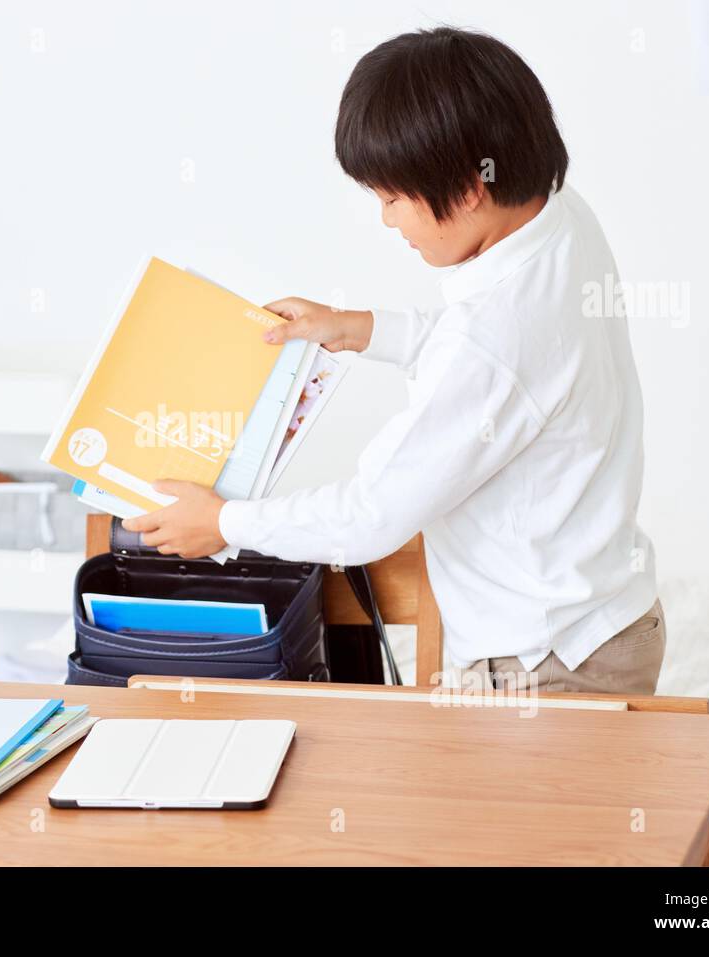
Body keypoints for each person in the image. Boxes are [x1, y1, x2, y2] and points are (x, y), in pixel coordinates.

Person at [123, 27, 664, 695]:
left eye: (391, 198)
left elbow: (370, 514)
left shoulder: (490, 341)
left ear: (468, 189)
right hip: (608, 620)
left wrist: (223, 522)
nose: (386, 221)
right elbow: (509, 363)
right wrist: (362, 329)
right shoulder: (558, 216)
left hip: (543, 667)